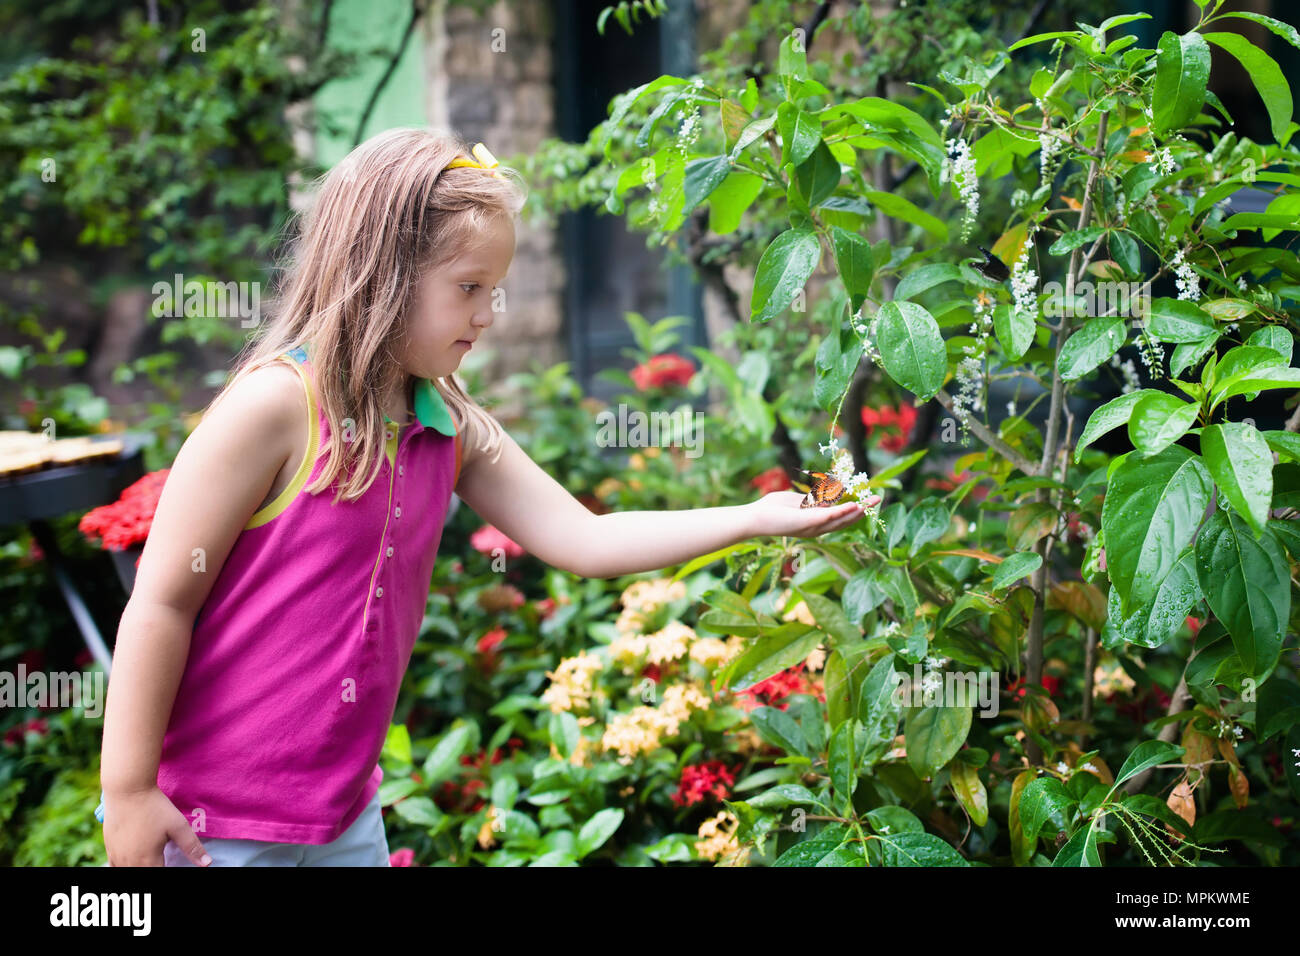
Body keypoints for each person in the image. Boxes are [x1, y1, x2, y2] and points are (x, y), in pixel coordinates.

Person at [97, 127, 878, 867]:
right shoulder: (273, 409)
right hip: (211, 821)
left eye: (495, 290)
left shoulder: (451, 425)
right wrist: (128, 792)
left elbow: (586, 538)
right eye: (468, 287)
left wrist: (758, 517)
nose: (485, 316)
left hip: (342, 819)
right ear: (383, 273)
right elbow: (162, 603)